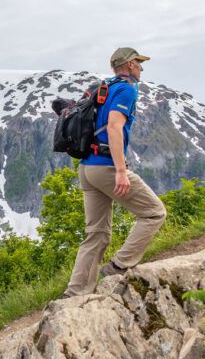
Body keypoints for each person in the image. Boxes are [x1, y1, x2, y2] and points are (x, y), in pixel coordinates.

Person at [61, 47, 167, 298]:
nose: (142, 68)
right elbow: (114, 126)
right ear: (130, 64)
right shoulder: (127, 89)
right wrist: (120, 170)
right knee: (154, 213)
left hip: (86, 168)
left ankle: (75, 292)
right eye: (139, 63)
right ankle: (119, 265)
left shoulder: (103, 87)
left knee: (96, 234)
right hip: (106, 166)